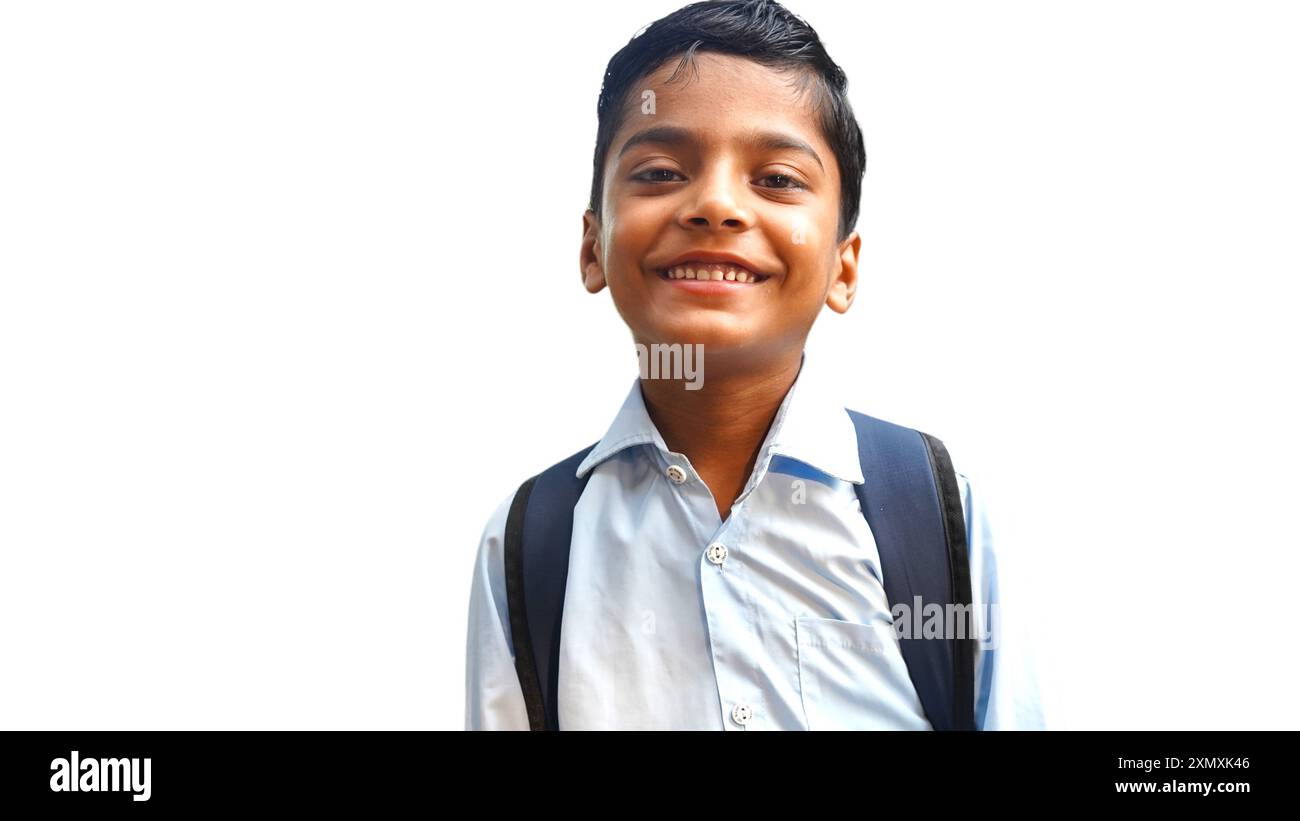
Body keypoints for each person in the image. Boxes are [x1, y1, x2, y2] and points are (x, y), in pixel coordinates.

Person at [465, 0, 1047, 730]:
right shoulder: (532, 544)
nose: (714, 204)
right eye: (658, 171)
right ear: (592, 247)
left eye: (775, 179)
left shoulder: (939, 516)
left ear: (843, 266)